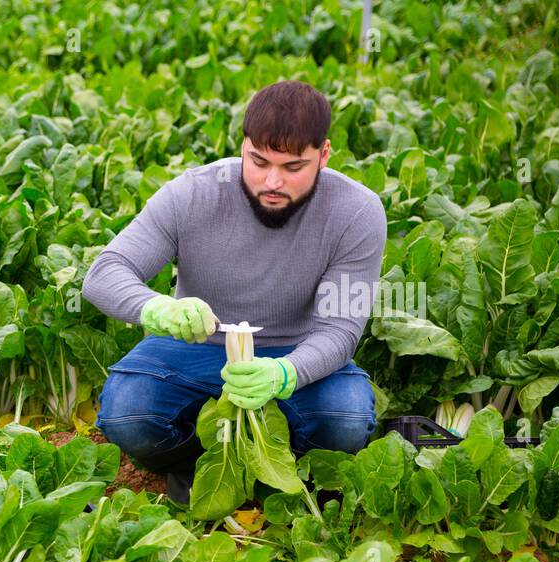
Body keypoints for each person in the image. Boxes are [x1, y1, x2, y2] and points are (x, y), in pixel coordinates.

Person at [82, 80, 387, 505]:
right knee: (128, 412)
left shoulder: (356, 211)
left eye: (294, 167)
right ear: (241, 145)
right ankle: (200, 461)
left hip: (296, 354)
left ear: (324, 155)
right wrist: (156, 308)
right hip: (197, 349)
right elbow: (105, 273)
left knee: (347, 421)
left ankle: (279, 469)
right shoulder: (192, 193)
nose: (273, 181)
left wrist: (286, 374)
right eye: (258, 161)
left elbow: (339, 331)